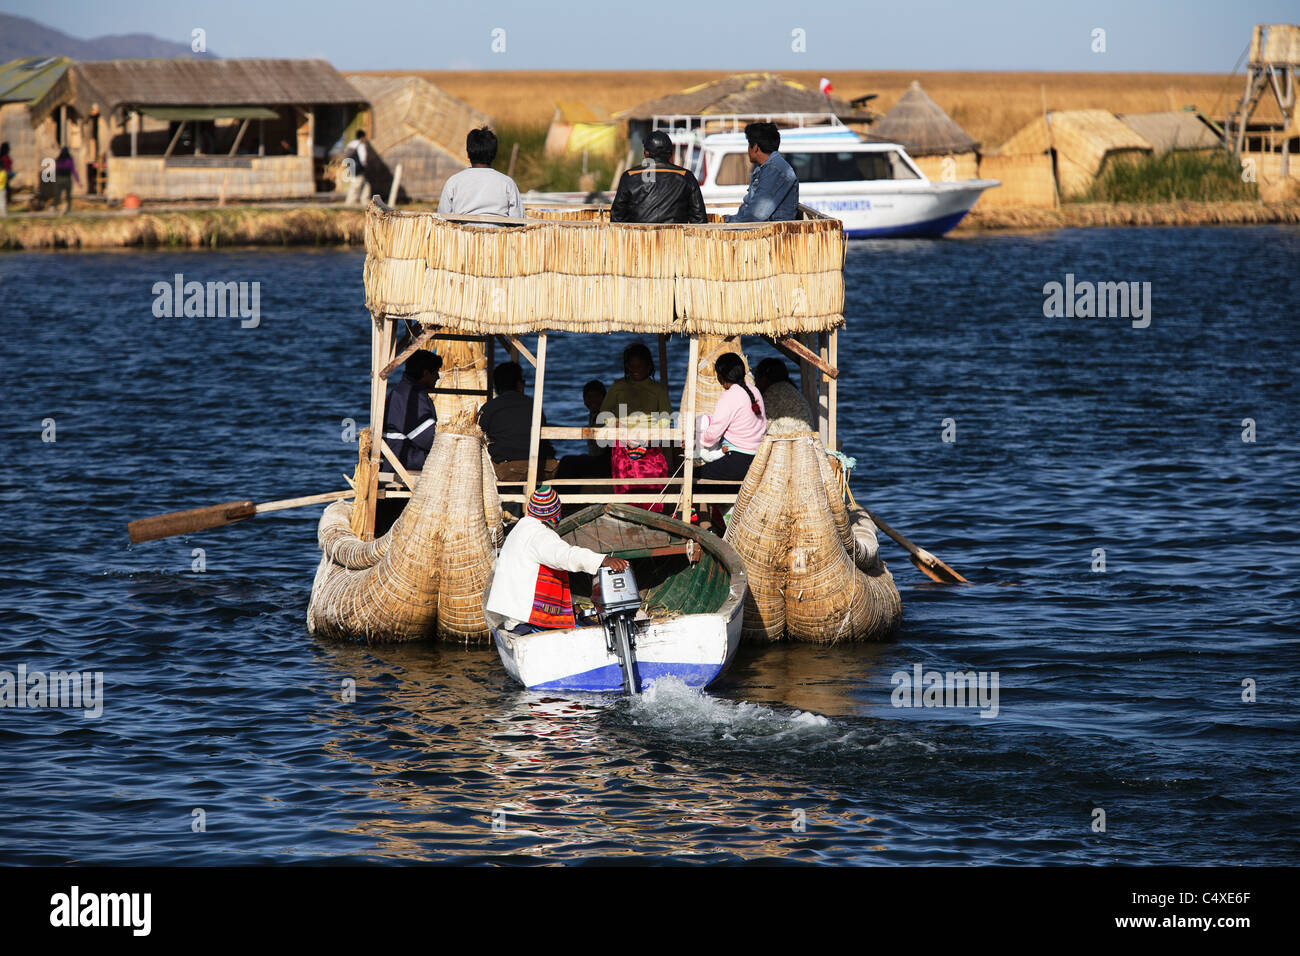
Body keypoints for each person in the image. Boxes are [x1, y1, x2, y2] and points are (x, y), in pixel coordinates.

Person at [485, 485, 629, 633]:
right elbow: (565, 556)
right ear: (555, 514)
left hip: (513, 613)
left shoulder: (521, 527)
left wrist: (572, 604)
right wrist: (602, 560)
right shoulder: (540, 535)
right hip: (527, 618)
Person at [600, 343, 672, 511]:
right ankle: (626, 515)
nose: (635, 370)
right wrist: (615, 423)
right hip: (623, 446)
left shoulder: (658, 389)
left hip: (649, 445)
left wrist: (652, 434)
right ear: (627, 366)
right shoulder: (618, 386)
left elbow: (666, 418)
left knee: (652, 483)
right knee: (626, 486)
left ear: (648, 366)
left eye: (639, 366)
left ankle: (652, 515)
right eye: (631, 367)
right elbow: (604, 412)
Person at [479, 361, 556, 483]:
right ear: (519, 384)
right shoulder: (534, 406)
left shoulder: (488, 408)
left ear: (497, 386)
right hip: (542, 469)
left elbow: (478, 439)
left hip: (506, 471)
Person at [609, 130, 706, 224]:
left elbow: (617, 216)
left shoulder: (629, 176)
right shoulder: (686, 176)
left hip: (639, 238)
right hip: (676, 238)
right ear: (670, 153)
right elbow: (699, 217)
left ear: (646, 153)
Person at [697, 352, 767, 482]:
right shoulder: (755, 391)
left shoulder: (729, 396)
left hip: (738, 462)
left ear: (720, 377)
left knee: (691, 475)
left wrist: (694, 441)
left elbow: (712, 435)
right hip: (759, 460)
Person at [438, 127, 523, 218]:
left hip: (461, 232)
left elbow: (442, 217)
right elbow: (518, 220)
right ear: (494, 155)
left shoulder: (454, 181)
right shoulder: (507, 183)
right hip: (499, 232)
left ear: (468, 154)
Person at [724, 122, 799, 223]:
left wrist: (728, 222)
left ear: (755, 148)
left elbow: (756, 215)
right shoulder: (767, 167)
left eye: (749, 145)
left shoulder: (775, 170)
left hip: (771, 235)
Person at [383, 350, 441, 472]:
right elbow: (428, 439)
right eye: (435, 372)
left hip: (407, 459)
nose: (438, 377)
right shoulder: (408, 396)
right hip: (404, 462)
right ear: (426, 373)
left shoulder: (407, 391)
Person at [554, 380, 611, 480]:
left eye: (597, 396)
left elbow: (603, 450)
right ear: (584, 399)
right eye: (589, 397)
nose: (593, 400)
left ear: (605, 398)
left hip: (607, 462)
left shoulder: (607, 416)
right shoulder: (595, 415)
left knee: (567, 461)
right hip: (600, 460)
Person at [753, 357, 815, 430]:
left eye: (756, 378)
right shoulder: (790, 389)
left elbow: (761, 425)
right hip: (806, 436)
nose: (755, 384)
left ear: (764, 378)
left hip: (793, 439)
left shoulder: (773, 393)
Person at [344, 129, 371, 205]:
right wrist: (365, 166)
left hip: (351, 167)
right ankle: (350, 203)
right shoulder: (361, 145)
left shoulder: (351, 144)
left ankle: (365, 202)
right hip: (358, 168)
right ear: (362, 137)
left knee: (366, 185)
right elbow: (363, 158)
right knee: (356, 185)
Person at [54, 147, 80, 215]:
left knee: (58, 195)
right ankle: (67, 209)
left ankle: (56, 207)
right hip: (67, 179)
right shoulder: (69, 160)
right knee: (68, 195)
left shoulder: (58, 160)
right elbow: (73, 170)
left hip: (59, 179)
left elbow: (55, 170)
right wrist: (78, 181)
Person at [0, 142, 13, 214]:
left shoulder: (5, 157)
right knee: (3, 199)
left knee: (4, 198)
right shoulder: (3, 158)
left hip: (5, 179)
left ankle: (4, 211)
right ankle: (3, 212)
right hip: (3, 183)